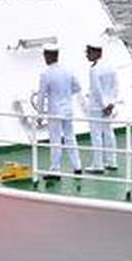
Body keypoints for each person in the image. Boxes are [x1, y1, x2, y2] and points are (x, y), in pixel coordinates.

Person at [37, 44, 82, 178]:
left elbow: (41, 95)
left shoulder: (46, 74)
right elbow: (77, 87)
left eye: (45, 55)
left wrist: (40, 115)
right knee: (70, 137)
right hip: (68, 110)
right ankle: (77, 166)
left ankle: (55, 169)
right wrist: (66, 96)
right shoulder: (68, 70)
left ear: (49, 56)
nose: (44, 57)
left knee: (55, 140)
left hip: (54, 112)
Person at [85, 42, 119, 173]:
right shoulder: (111, 66)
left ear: (96, 53)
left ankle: (98, 165)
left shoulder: (94, 69)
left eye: (89, 52)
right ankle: (112, 161)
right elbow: (116, 86)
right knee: (109, 133)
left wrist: (104, 105)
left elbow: (97, 89)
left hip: (96, 107)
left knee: (96, 135)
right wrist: (111, 103)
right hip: (108, 106)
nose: (87, 55)